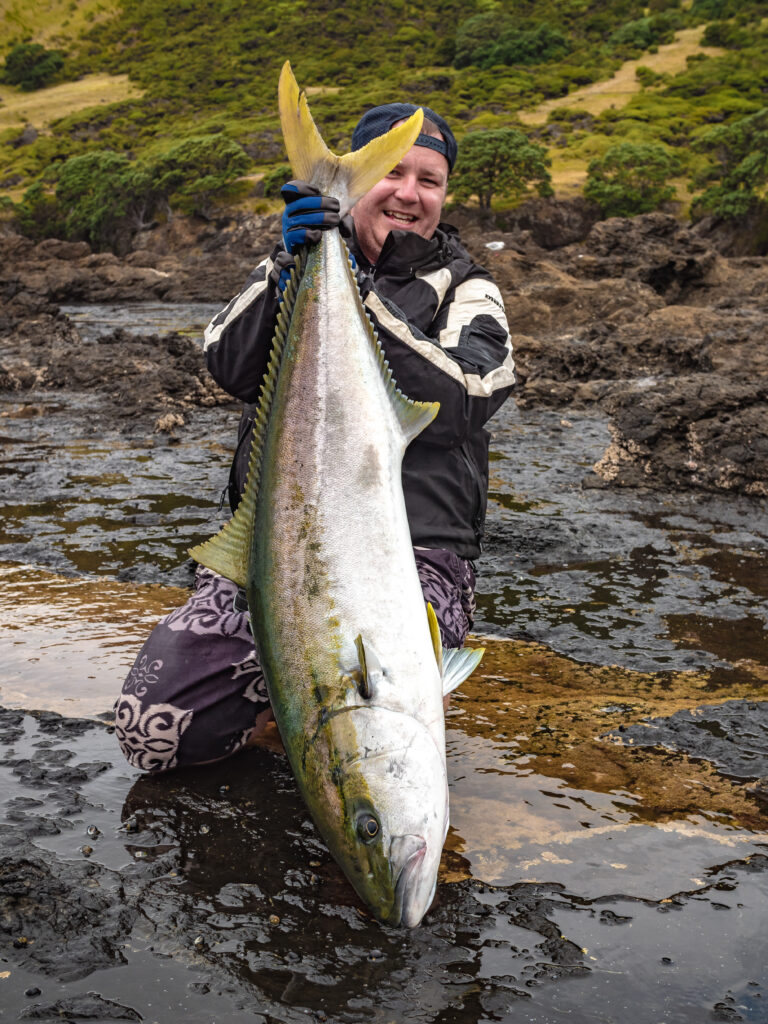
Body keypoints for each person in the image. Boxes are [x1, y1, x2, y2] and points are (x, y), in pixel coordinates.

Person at [115, 102, 515, 773]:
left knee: (379, 744)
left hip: (413, 554)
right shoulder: (298, 264)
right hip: (284, 545)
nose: (409, 194)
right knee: (151, 734)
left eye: (431, 180)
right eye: (390, 171)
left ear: (446, 195)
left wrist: (359, 300)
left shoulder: (468, 288)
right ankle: (284, 705)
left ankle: (302, 707)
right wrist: (289, 265)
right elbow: (226, 364)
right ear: (357, 184)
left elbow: (467, 399)